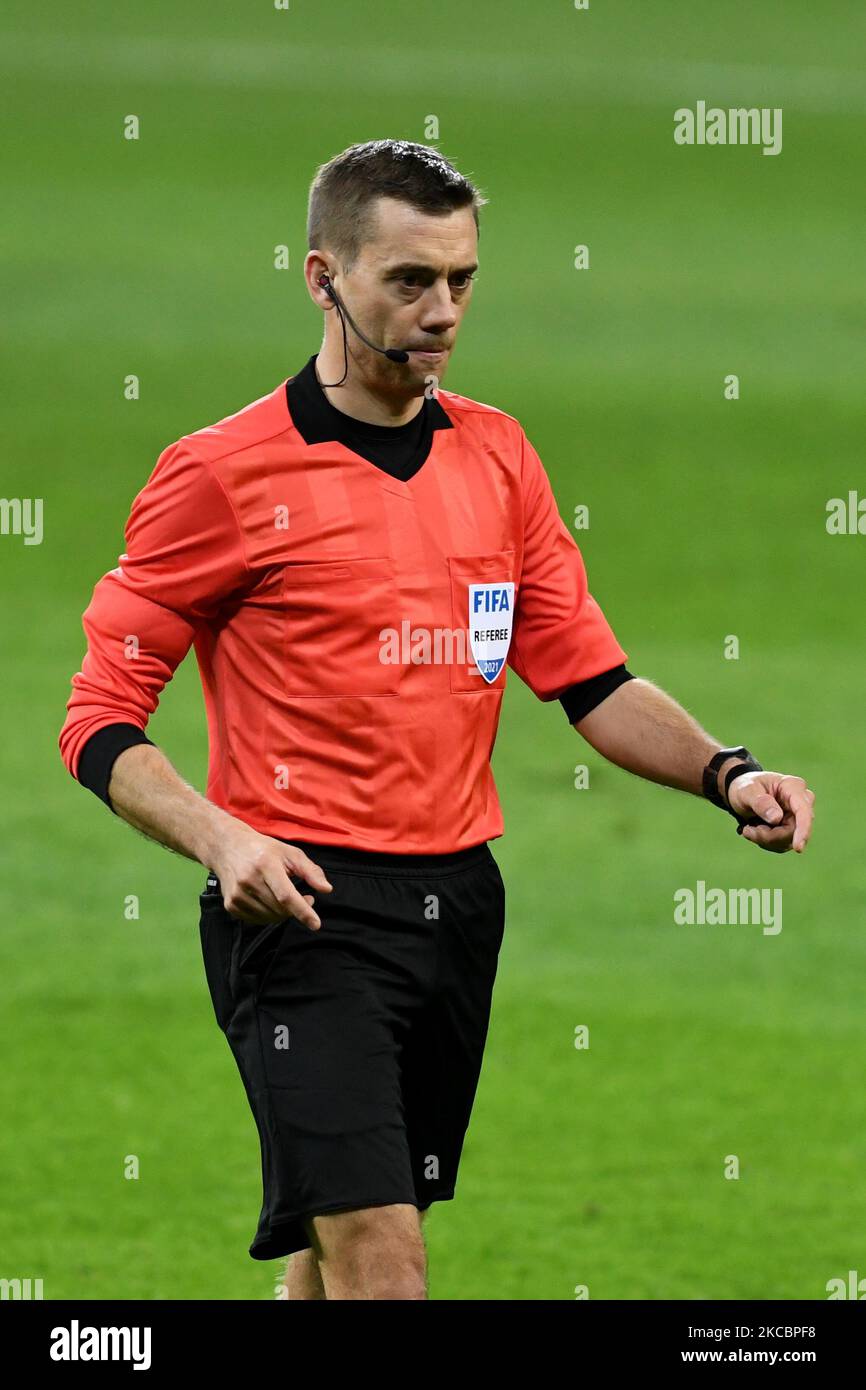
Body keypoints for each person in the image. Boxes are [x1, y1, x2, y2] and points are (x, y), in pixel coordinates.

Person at [58, 139, 815, 1301]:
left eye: (460, 279)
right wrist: (224, 840)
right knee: (383, 1257)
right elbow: (99, 716)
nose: (442, 310)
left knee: (330, 1253)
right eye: (407, 281)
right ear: (322, 278)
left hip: (456, 907)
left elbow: (589, 680)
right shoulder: (221, 474)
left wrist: (725, 772)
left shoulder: (498, 456)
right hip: (301, 908)